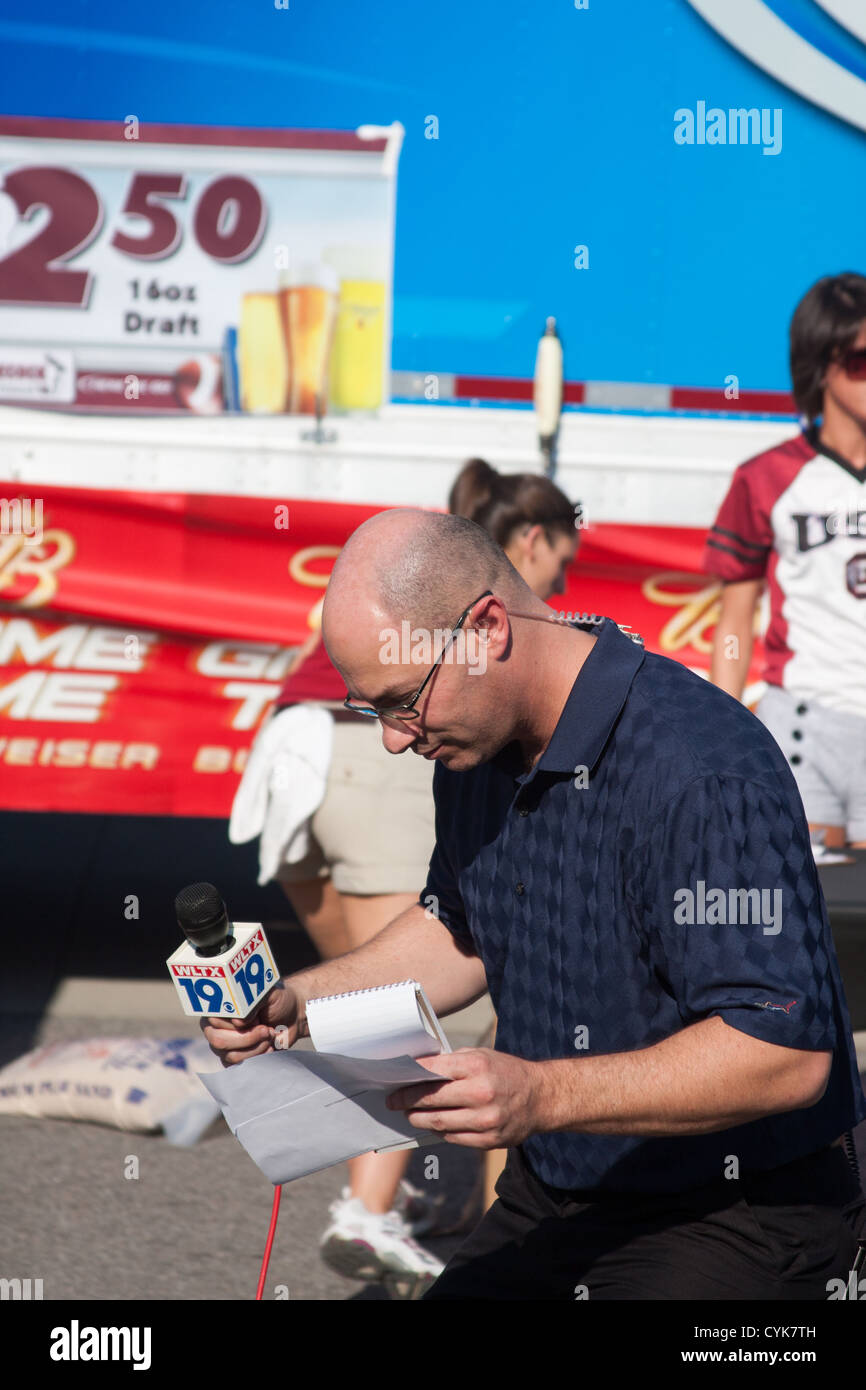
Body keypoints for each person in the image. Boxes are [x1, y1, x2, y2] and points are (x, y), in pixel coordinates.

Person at [206, 508, 865, 1300]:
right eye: (367, 708)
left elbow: (783, 1054)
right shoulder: (471, 748)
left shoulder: (698, 772)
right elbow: (459, 930)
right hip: (556, 1191)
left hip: (737, 1215)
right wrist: (299, 1000)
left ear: (486, 627)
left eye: (400, 701)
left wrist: (539, 1094)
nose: (390, 738)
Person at [229, 460, 578, 1289]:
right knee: (394, 1014)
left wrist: (299, 1000)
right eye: (563, 556)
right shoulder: (474, 641)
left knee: (356, 1003)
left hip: (293, 755)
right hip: (351, 767)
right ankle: (374, 1212)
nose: (563, 577)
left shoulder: (415, 568)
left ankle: (405, 1208)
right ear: (530, 543)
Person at [705, 271, 866, 849]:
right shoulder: (765, 477)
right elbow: (733, 620)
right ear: (821, 365)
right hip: (801, 728)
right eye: (860, 359)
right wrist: (719, 735)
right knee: (798, 911)